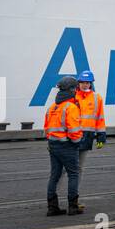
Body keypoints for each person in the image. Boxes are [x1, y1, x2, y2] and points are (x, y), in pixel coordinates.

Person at [44, 76, 84, 216]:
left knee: (54, 175)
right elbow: (74, 130)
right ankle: (73, 206)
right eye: (76, 88)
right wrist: (77, 142)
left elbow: (46, 129)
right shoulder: (70, 107)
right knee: (74, 174)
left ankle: (52, 207)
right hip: (67, 146)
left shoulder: (52, 108)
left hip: (53, 145)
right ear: (72, 90)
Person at [74, 69, 106, 188]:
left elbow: (100, 118)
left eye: (87, 82)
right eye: (83, 82)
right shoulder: (72, 96)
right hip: (73, 136)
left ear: (91, 83)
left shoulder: (97, 98)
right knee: (68, 167)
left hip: (87, 136)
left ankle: (74, 194)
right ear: (79, 83)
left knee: (80, 168)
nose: (85, 84)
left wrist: (101, 136)